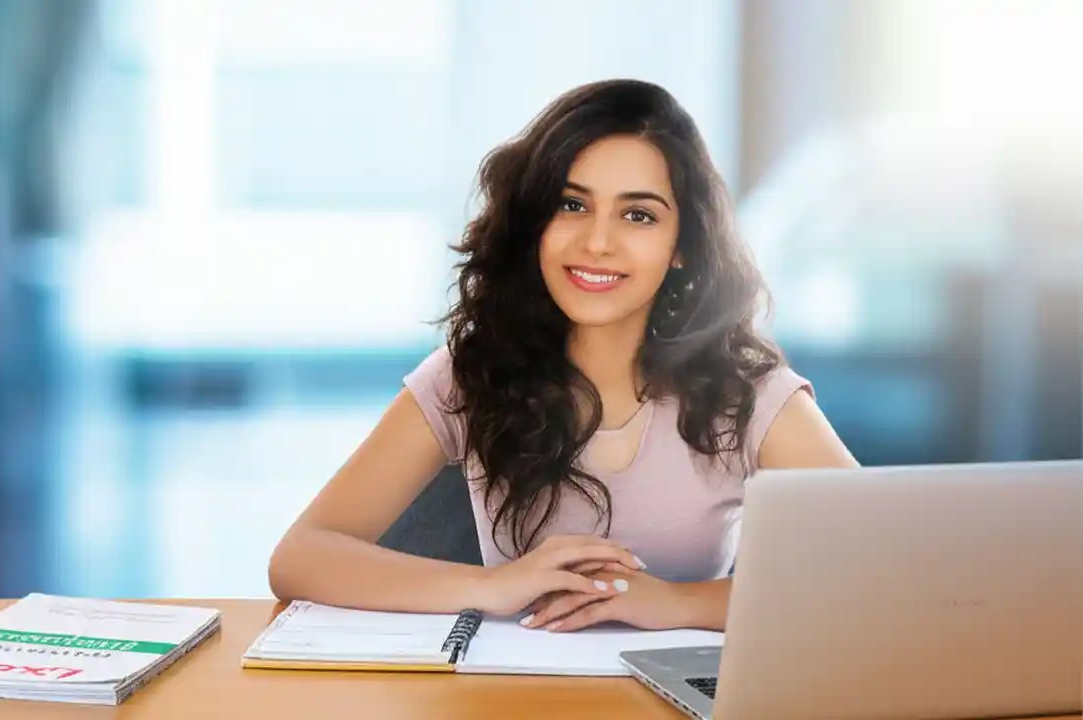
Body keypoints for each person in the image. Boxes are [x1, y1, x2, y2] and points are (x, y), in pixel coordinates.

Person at [268, 79, 858, 633]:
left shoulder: (747, 392)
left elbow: (875, 569)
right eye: (572, 206)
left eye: (638, 215)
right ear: (535, 224)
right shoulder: (468, 375)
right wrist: (495, 586)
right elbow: (301, 557)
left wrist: (672, 602)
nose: (597, 242)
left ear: (682, 247)